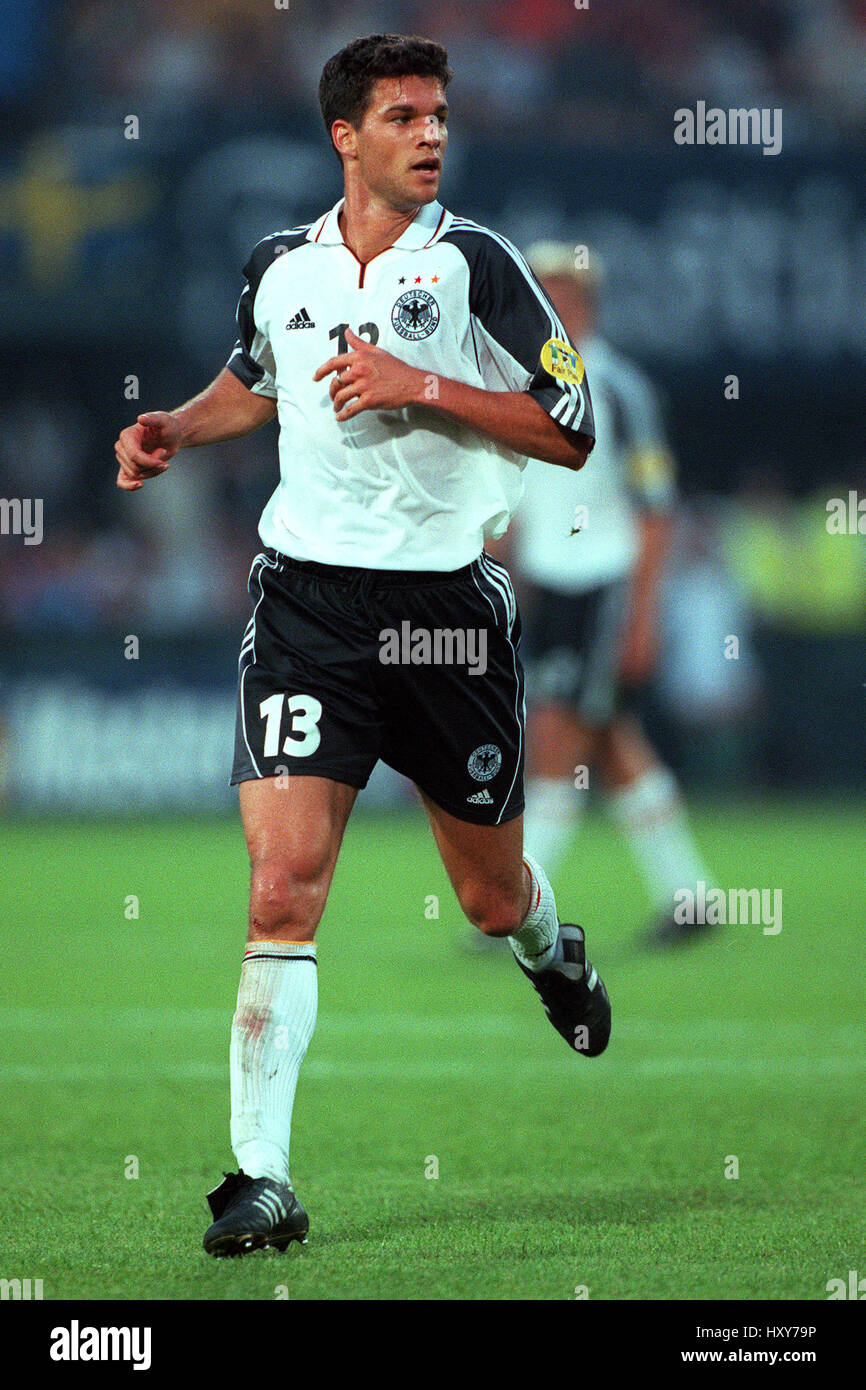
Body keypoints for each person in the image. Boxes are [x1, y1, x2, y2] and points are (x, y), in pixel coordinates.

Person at [113, 35, 611, 1258]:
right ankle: (260, 1179)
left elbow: (570, 425)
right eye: (403, 116)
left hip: (445, 618)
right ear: (347, 136)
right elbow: (257, 380)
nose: (431, 134)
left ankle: (551, 947)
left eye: (439, 114)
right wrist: (179, 424)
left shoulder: (479, 266)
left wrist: (418, 385)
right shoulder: (278, 266)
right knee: (282, 885)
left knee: (489, 899)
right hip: (307, 614)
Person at [510, 243, 713, 947]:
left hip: (607, 585)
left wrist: (644, 615)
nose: (548, 304)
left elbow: (657, 508)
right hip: (558, 588)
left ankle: (518, 905)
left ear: (586, 302)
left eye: (561, 292)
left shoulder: (617, 386)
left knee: (562, 733)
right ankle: (691, 897)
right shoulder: (527, 384)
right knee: (611, 740)